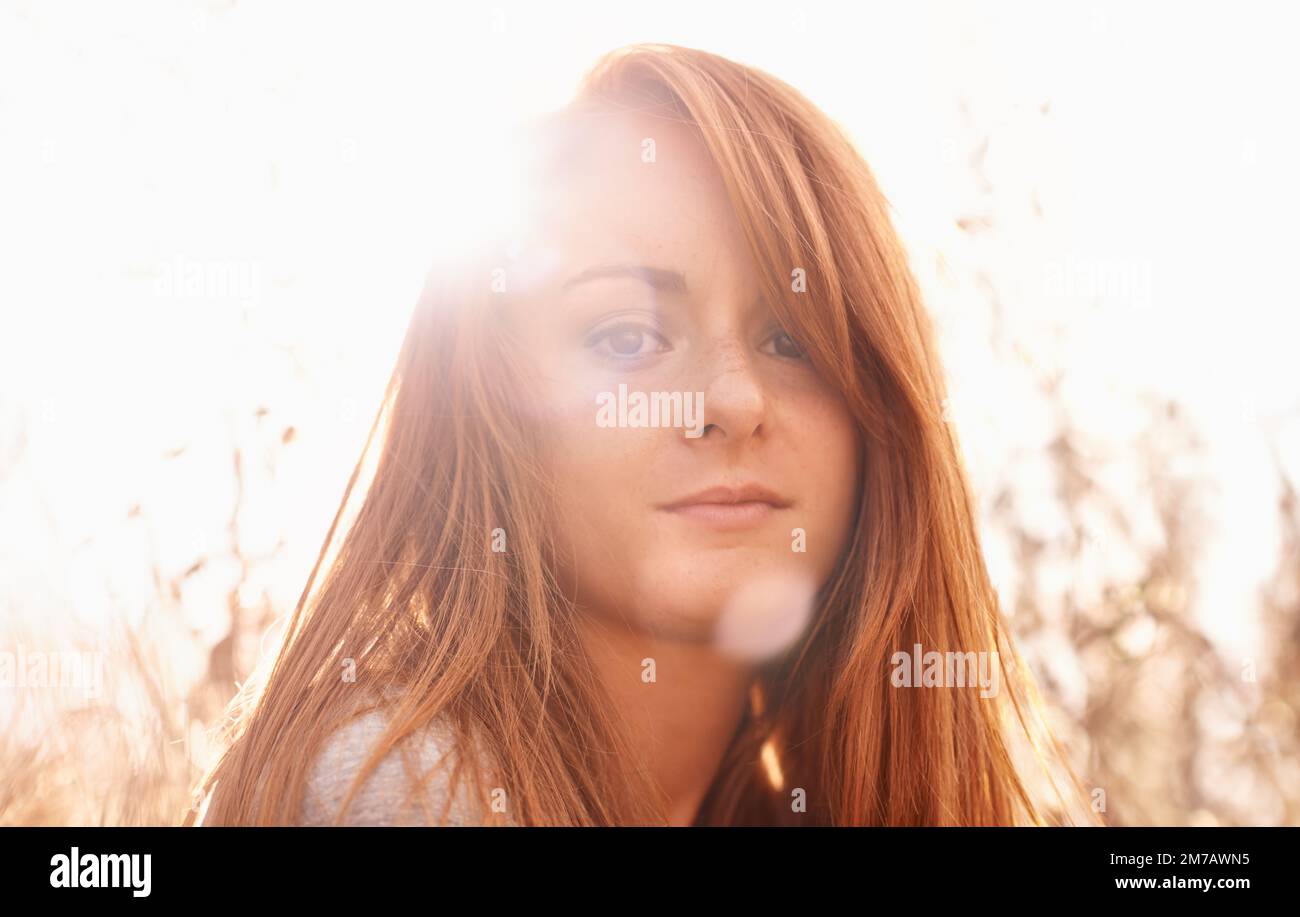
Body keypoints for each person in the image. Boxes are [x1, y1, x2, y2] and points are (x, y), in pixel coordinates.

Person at [187, 42, 1091, 827]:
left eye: (794, 339)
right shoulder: (396, 792)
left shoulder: (780, 795)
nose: (734, 399)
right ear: (491, 406)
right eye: (626, 336)